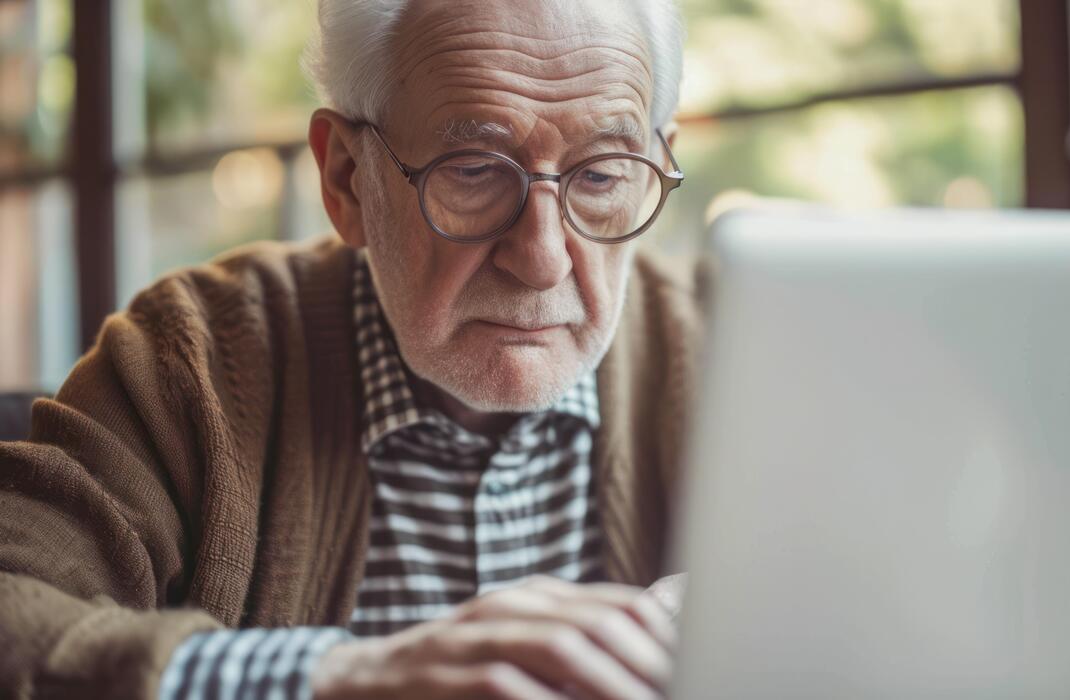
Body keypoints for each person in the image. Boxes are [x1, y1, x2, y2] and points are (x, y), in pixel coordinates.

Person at [0, 1, 703, 698]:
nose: (542, 259)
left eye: (603, 174)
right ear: (346, 179)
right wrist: (338, 679)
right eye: (474, 169)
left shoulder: (733, 347)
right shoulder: (188, 364)